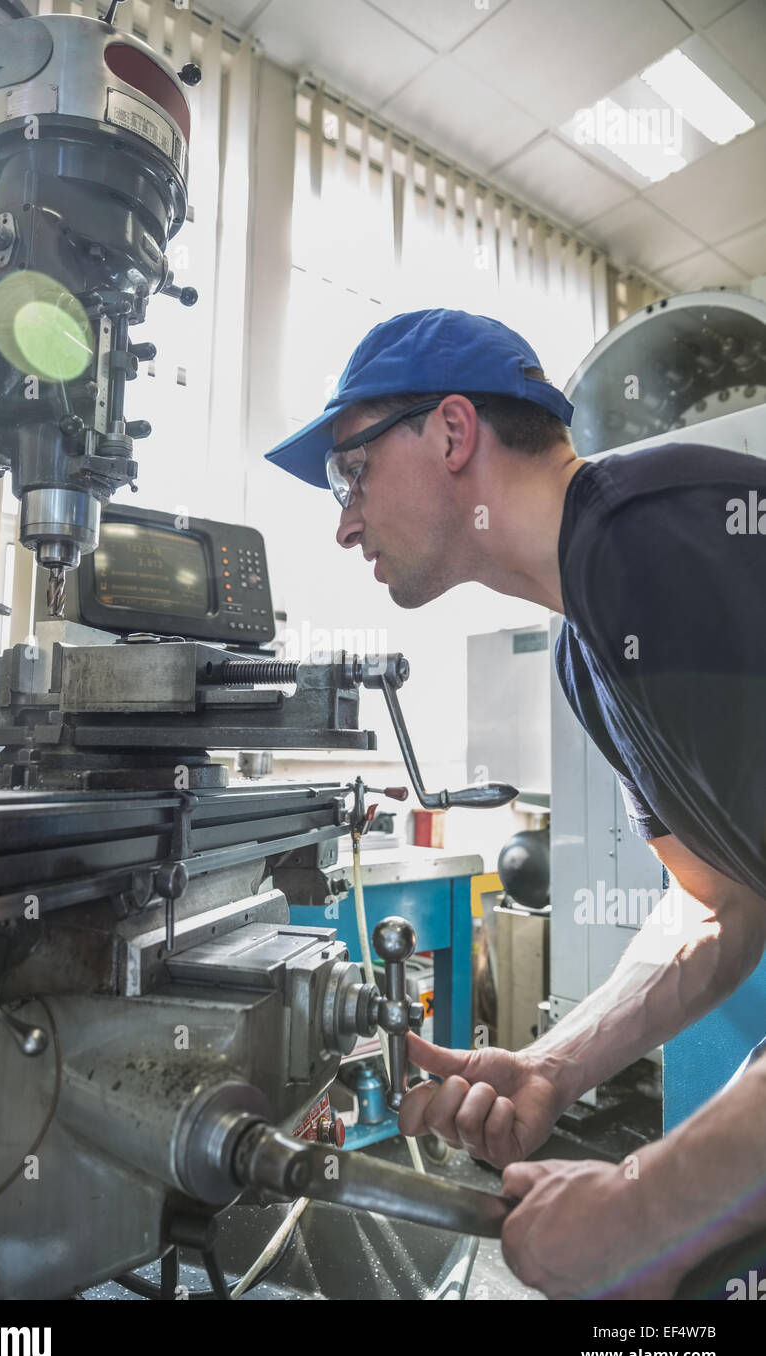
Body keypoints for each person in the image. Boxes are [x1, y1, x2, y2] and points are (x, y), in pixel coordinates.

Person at [265, 308, 766, 1300]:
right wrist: (553, 1064)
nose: (344, 520)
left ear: (452, 433)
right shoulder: (590, 647)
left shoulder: (673, 544)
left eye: (348, 471)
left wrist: (636, 1205)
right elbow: (725, 905)